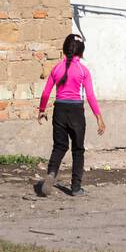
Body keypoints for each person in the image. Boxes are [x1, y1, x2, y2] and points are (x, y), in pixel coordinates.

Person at [34, 34, 105, 197]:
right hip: (76, 111)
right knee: (78, 150)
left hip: (59, 109)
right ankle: (75, 188)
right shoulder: (83, 70)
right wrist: (99, 117)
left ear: (64, 50)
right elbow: (90, 96)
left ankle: (52, 173)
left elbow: (46, 93)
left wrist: (42, 110)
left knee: (59, 146)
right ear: (81, 53)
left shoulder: (56, 68)